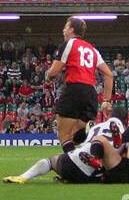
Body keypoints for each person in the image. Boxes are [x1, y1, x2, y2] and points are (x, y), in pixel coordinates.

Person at [45, 17, 114, 152]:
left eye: (66, 27)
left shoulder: (69, 44)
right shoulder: (93, 50)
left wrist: (48, 76)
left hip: (74, 90)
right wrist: (106, 100)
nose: (63, 30)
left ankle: (74, 167)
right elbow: (109, 75)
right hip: (91, 95)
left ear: (71, 29)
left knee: (63, 135)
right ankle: (87, 134)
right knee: (73, 136)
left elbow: (53, 71)